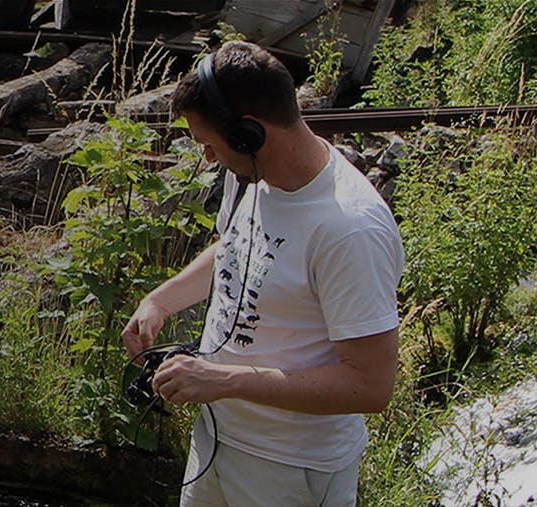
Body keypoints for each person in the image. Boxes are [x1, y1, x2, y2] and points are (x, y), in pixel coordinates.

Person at [120, 41, 404, 506]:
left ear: (249, 134)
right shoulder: (253, 175)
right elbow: (235, 249)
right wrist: (161, 301)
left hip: (291, 471)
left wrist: (223, 381)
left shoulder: (350, 230)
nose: (209, 159)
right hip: (217, 442)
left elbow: (369, 386)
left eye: (209, 145)